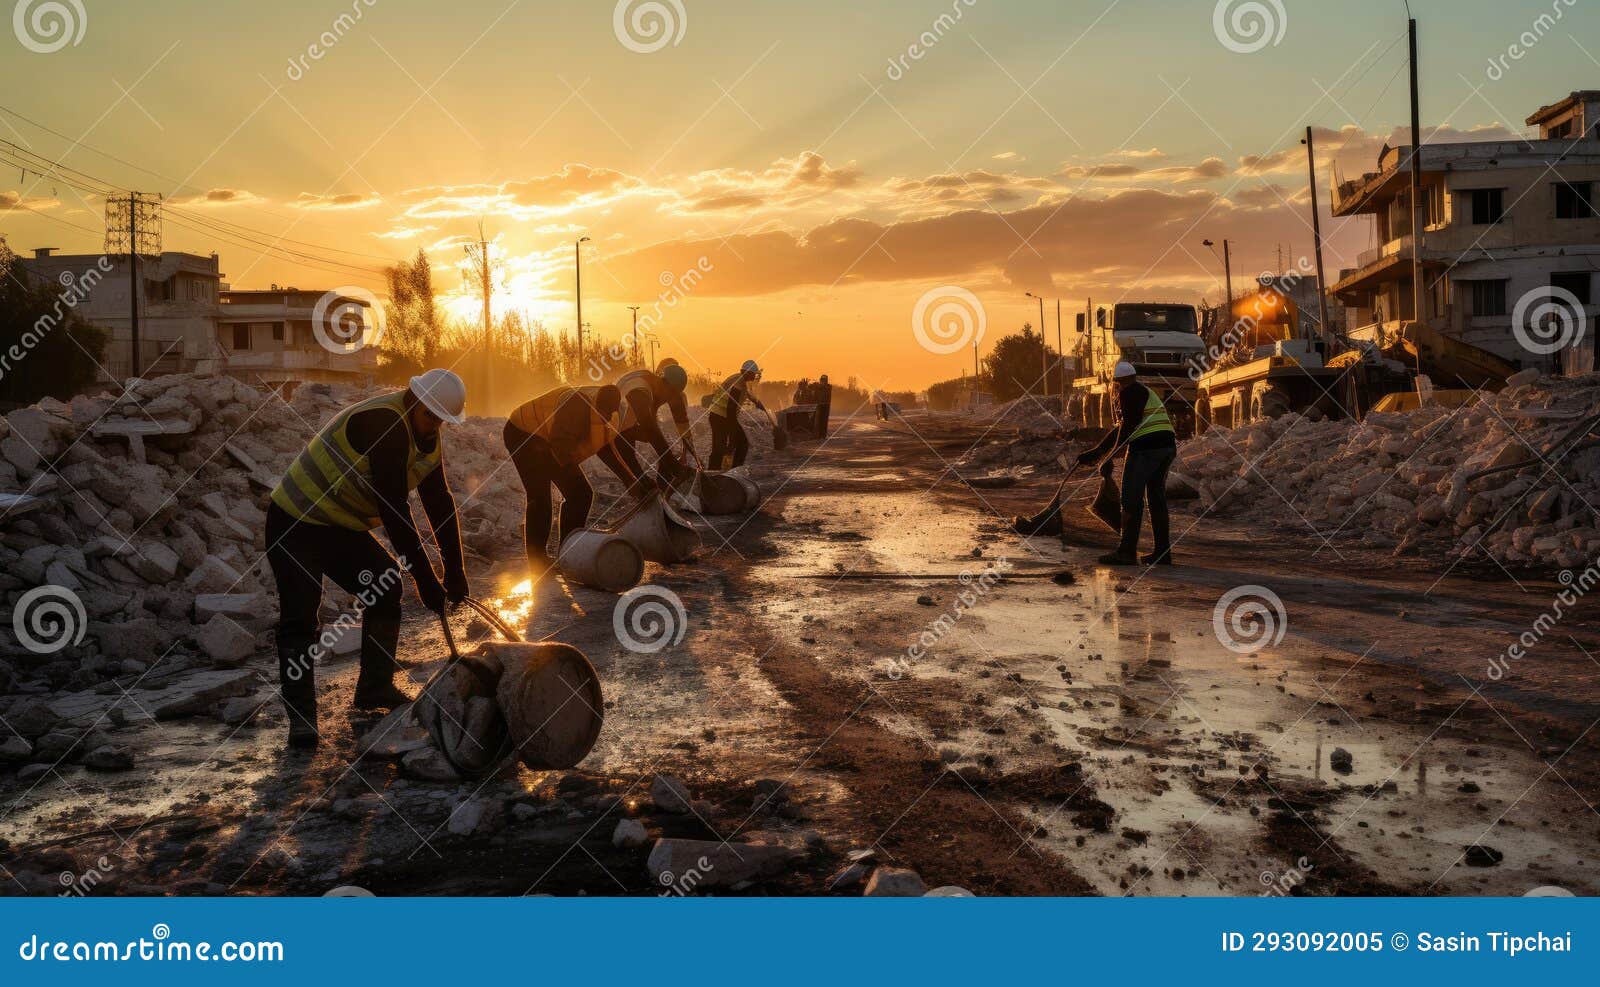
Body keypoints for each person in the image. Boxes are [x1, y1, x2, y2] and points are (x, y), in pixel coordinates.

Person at [266, 368, 470, 749]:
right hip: (294, 524)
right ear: (415, 403)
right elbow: (395, 511)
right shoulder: (386, 424)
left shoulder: (427, 436)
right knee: (300, 616)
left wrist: (455, 570)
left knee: (385, 585)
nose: (434, 426)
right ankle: (301, 720)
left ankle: (374, 688)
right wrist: (427, 582)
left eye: (442, 420)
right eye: (431, 416)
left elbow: (439, 502)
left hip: (337, 528)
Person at [503, 384, 649, 571]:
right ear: (598, 405)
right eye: (602, 412)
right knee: (540, 497)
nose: (605, 417)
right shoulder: (577, 406)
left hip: (547, 439)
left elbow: (605, 450)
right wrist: (571, 474)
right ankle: (538, 560)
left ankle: (567, 553)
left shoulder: (608, 415)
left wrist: (630, 481)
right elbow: (560, 447)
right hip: (523, 433)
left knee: (581, 494)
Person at [1076, 361, 1176, 567]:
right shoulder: (1145, 392)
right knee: (1156, 499)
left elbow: (1128, 427)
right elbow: (1122, 427)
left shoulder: (1128, 393)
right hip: (1166, 448)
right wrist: (1098, 451)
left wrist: (1109, 457)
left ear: (1118, 381)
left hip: (1145, 449)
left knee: (1131, 498)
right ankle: (1162, 553)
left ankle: (1126, 552)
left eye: (1117, 384)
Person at [616, 358, 694, 482]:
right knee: (629, 447)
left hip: (633, 415)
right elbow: (649, 428)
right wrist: (674, 466)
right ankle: (641, 484)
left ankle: (661, 480)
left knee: (657, 439)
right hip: (616, 420)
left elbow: (682, 422)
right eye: (670, 395)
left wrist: (689, 452)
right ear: (665, 385)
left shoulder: (663, 389)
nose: (669, 400)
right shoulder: (640, 390)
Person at [707, 359, 766, 471]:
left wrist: (757, 402)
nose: (755, 376)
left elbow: (747, 393)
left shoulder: (739, 379)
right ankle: (727, 471)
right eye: (754, 374)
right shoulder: (739, 382)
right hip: (722, 417)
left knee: (722, 446)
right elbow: (731, 407)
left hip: (719, 416)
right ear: (748, 373)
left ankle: (717, 471)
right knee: (738, 444)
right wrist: (732, 430)